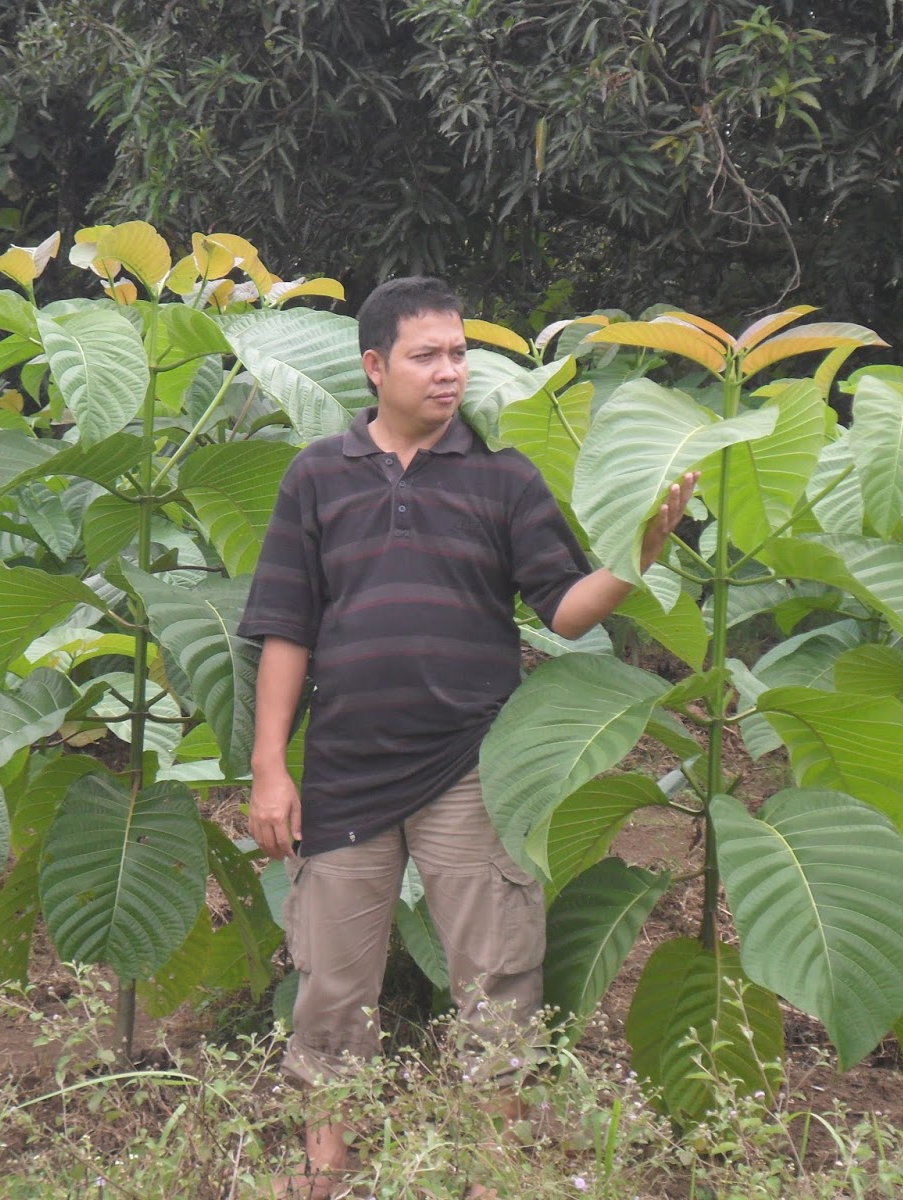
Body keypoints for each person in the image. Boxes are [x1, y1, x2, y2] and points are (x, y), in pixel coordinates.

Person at [239, 276, 695, 1198]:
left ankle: (495, 1170)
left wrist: (634, 556)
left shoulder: (503, 478)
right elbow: (287, 628)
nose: (450, 372)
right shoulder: (317, 477)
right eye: (427, 355)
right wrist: (267, 767)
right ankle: (325, 1163)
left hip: (470, 766)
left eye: (459, 354)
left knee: (495, 973)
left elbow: (564, 614)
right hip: (347, 775)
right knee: (331, 976)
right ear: (374, 368)